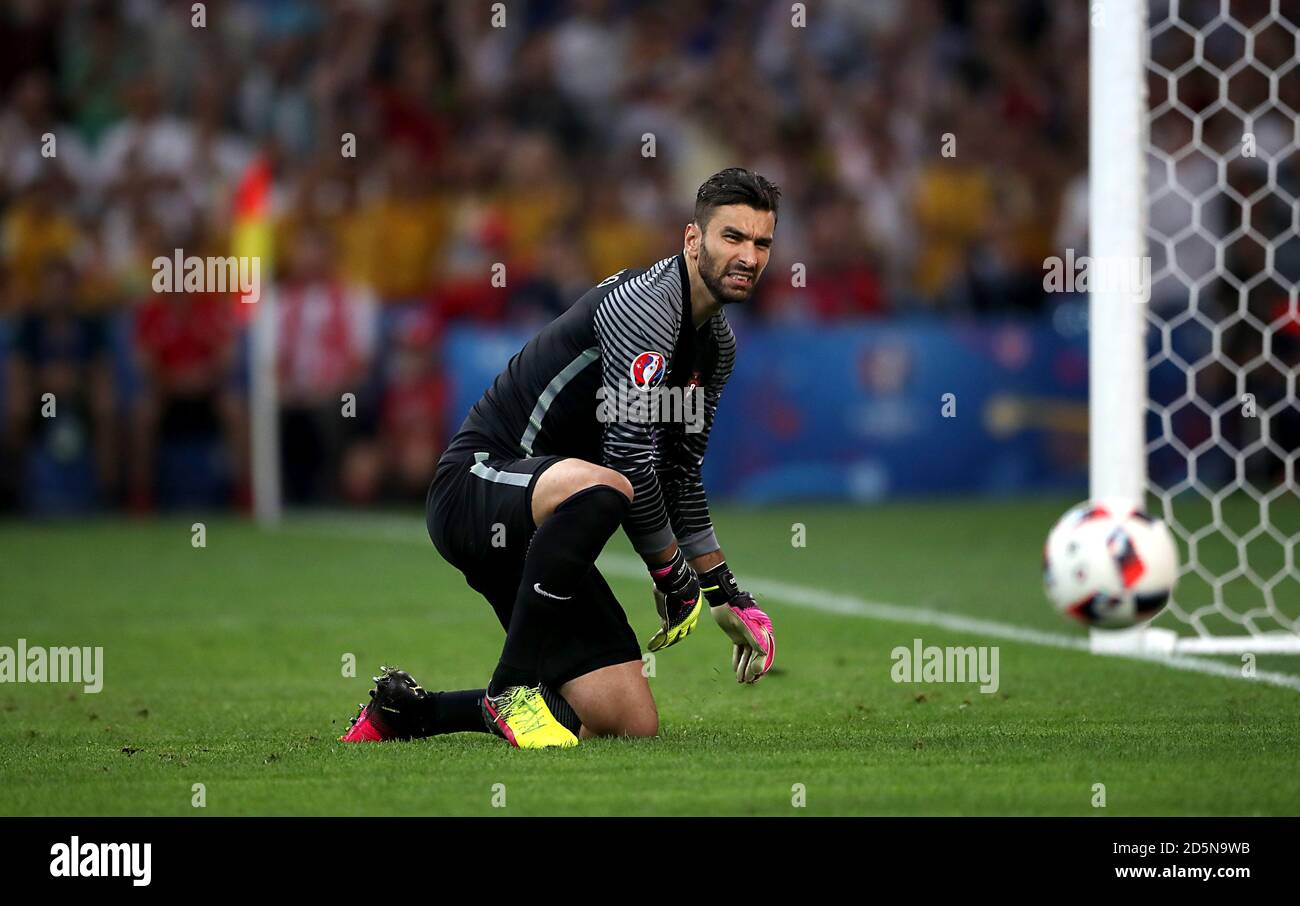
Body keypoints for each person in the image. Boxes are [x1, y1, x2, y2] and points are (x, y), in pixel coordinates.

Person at [341, 168, 780, 748]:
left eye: (762, 243)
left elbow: (678, 473)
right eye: (733, 237)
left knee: (625, 720)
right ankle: (511, 689)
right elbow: (629, 463)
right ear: (693, 240)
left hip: (551, 525)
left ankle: (410, 713)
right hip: (477, 488)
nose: (748, 256)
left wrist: (725, 592)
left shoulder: (715, 347)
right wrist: (670, 572)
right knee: (608, 486)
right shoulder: (647, 308)